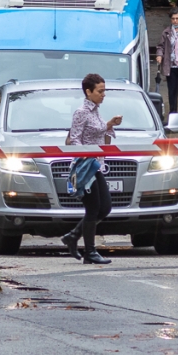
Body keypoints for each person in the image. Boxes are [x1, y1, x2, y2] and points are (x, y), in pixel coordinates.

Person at [61, 73, 122, 266]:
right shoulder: (81, 112)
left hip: (96, 165)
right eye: (100, 91)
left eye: (104, 91)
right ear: (88, 92)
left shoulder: (95, 111)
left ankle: (73, 236)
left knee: (105, 207)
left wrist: (109, 124)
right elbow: (74, 139)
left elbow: (97, 132)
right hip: (86, 167)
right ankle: (90, 251)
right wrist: (85, 156)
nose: (103, 94)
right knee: (94, 208)